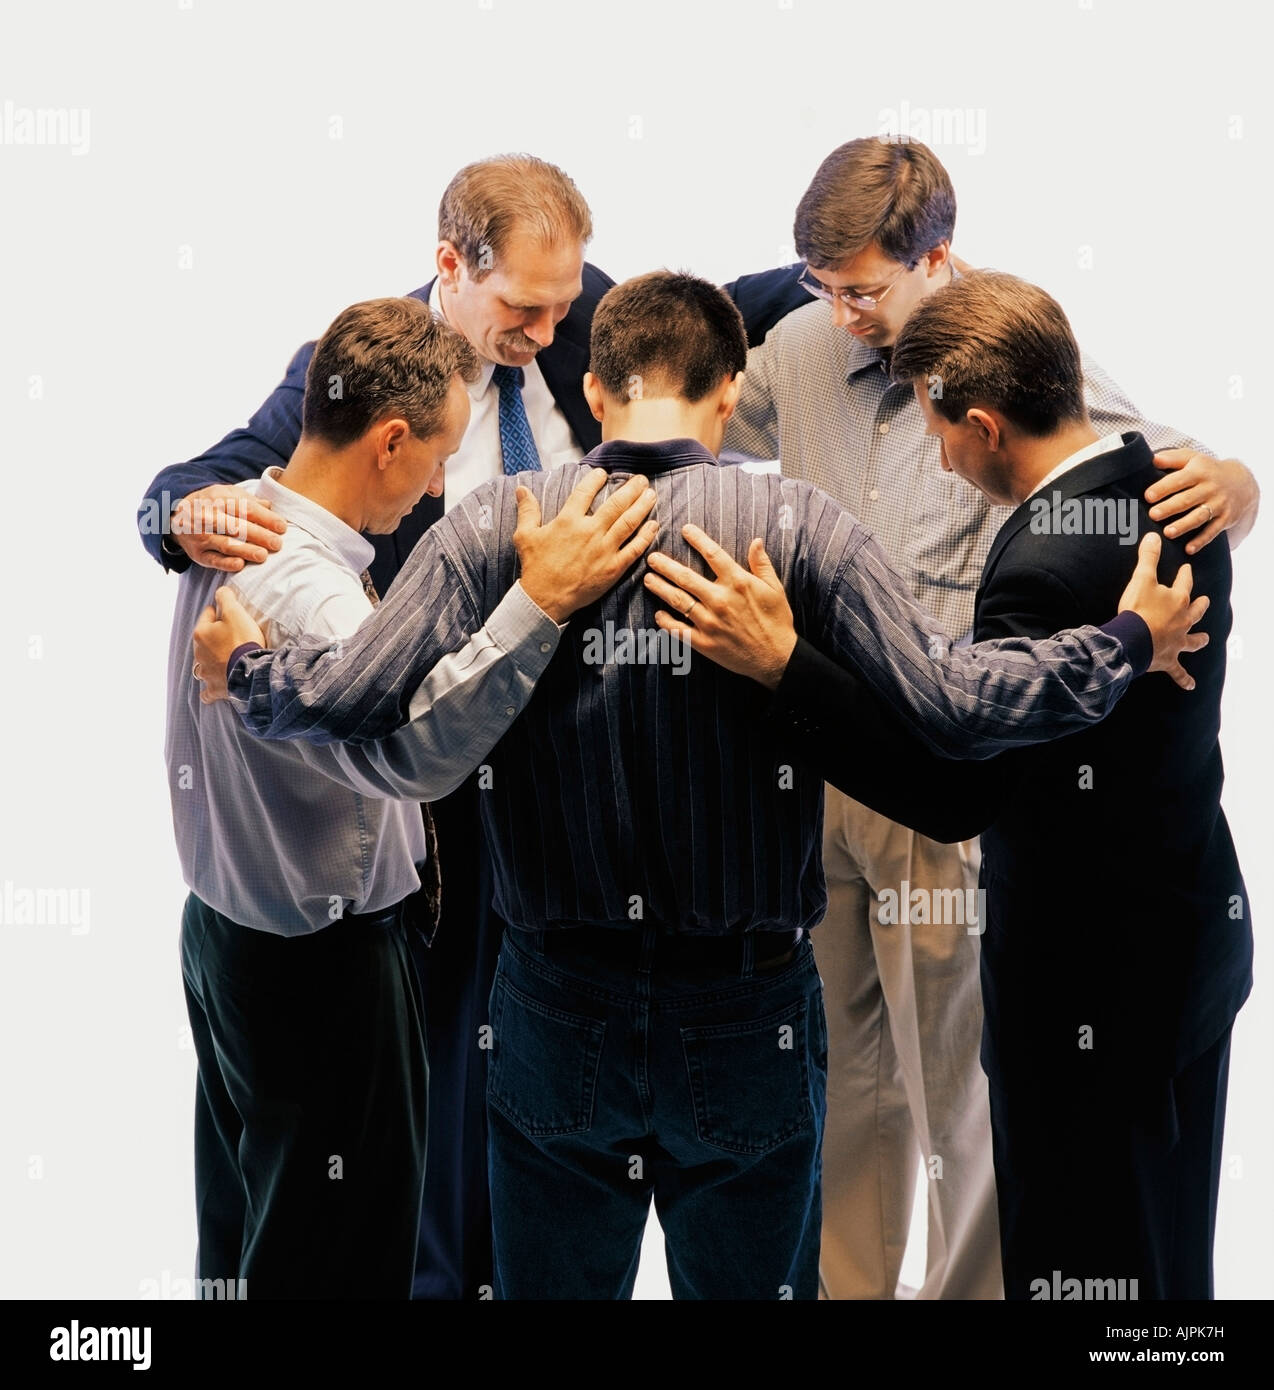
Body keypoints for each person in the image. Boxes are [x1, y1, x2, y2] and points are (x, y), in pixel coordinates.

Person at [192, 271, 1207, 1300]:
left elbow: (358, 690)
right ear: (729, 394)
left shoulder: (500, 520)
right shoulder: (797, 525)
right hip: (747, 1011)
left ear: (591, 391)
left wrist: (247, 670)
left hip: (549, 1006)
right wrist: (1125, 638)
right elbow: (951, 703)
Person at [137, 154, 794, 1299]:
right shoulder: (351, 372)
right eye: (521, 309)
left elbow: (726, 303)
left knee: (529, 1054)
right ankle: (437, 1277)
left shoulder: (584, 319)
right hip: (421, 763)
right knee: (424, 1065)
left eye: (563, 304)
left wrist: (877, 264)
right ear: (450, 268)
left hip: (567, 762)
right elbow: (211, 489)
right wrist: (175, 517)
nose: (548, 331)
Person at [720, 135, 1260, 1301]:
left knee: (956, 1088)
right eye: (824, 287)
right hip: (832, 777)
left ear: (936, 258)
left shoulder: (1012, 355)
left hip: (956, 758)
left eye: (864, 288)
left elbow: (1138, 469)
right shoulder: (799, 344)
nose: (845, 313)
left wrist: (1233, 477)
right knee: (842, 1068)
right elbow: (687, 391)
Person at [167, 296, 658, 1298]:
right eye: (437, 455)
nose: (441, 484)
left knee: (249, 1232)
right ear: (388, 442)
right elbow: (411, 753)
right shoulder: (312, 588)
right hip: (325, 968)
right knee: (341, 1253)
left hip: (224, 937)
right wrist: (542, 600)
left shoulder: (231, 522)